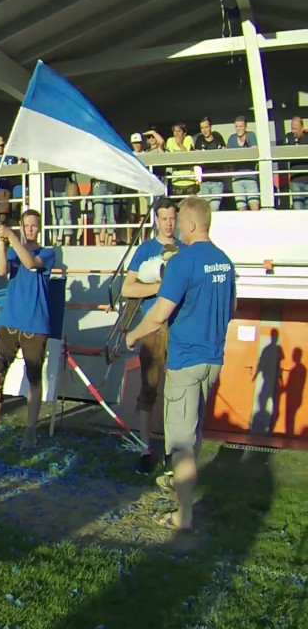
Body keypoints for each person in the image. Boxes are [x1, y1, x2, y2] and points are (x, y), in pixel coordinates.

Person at [126, 197, 234, 532]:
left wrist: (133, 335)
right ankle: (178, 484)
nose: (177, 228)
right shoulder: (224, 261)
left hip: (186, 360)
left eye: (180, 221)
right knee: (194, 431)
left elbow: (159, 314)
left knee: (182, 444)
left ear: (191, 224)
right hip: (213, 360)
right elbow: (230, 308)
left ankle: (182, 516)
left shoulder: (183, 262)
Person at [0, 209, 57, 450]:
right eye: (26, 225)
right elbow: (1, 270)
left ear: (40, 228)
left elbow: (30, 263)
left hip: (34, 324)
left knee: (33, 378)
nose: (30, 229)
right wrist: (1, 243)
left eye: (34, 226)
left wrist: (11, 237)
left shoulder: (48, 253)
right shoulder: (13, 250)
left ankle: (30, 429)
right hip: (9, 321)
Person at [121, 198, 179, 474]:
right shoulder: (145, 249)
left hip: (179, 326)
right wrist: (159, 287)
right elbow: (127, 288)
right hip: (152, 327)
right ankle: (146, 448)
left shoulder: (185, 248)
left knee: (177, 391)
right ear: (156, 219)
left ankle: (173, 450)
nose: (169, 223)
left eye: (172, 218)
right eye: (164, 218)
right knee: (149, 387)